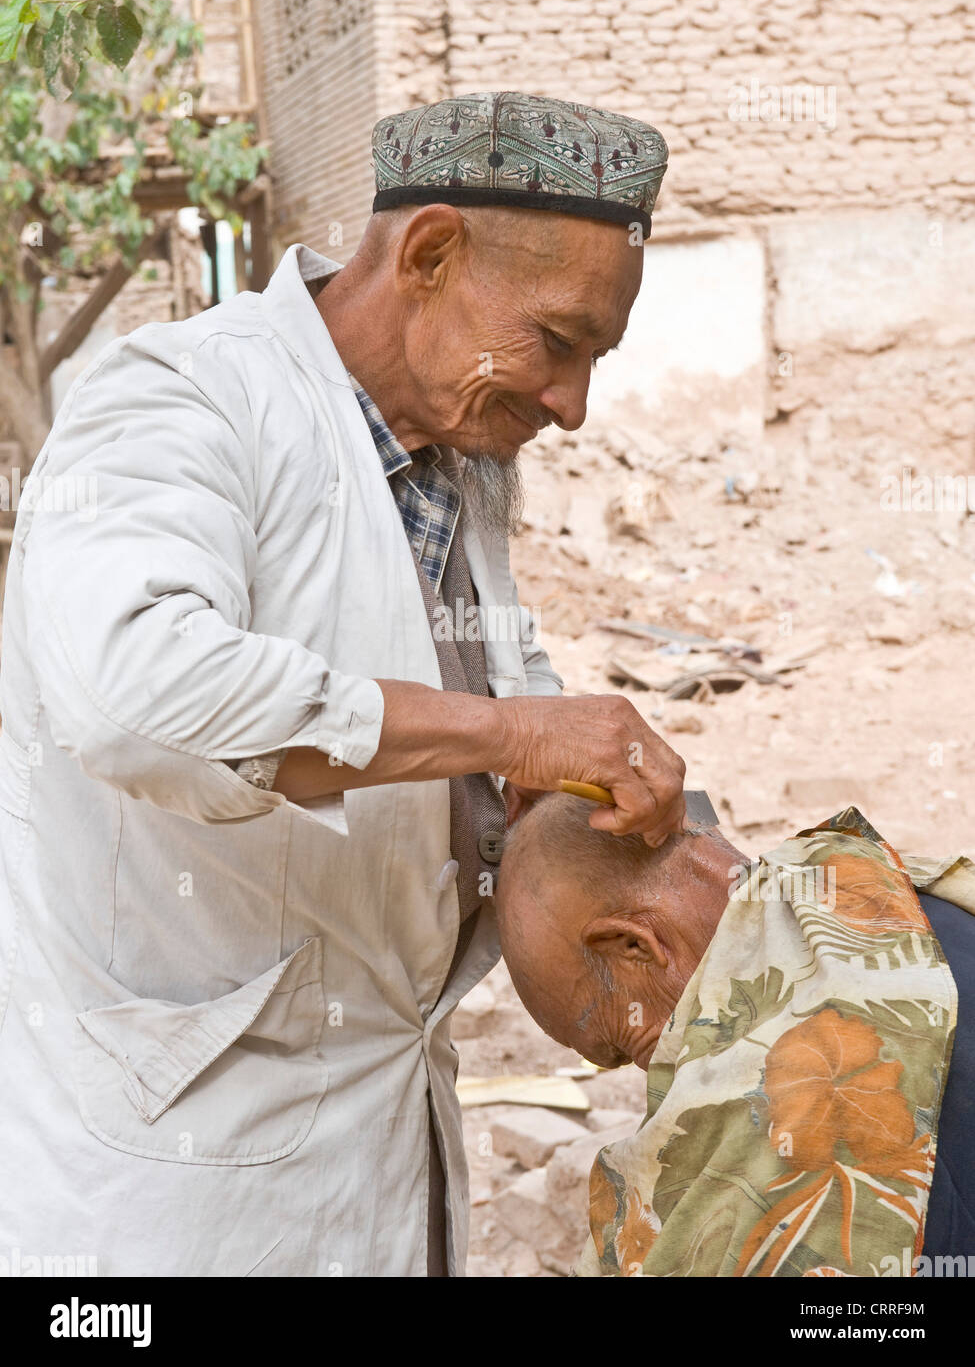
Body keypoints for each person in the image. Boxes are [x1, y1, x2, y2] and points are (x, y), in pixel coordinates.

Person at [0, 91, 685, 1278]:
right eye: (558, 344)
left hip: (379, 1159)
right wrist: (514, 733)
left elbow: (498, 763)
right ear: (428, 255)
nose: (574, 406)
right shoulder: (179, 400)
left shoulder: (450, 470)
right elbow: (132, 693)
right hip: (173, 1207)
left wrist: (636, 881)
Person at [496, 794, 975, 1276]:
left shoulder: (767, 1103)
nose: (644, 1072)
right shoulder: (910, 893)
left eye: (620, 1046)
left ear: (634, 946)